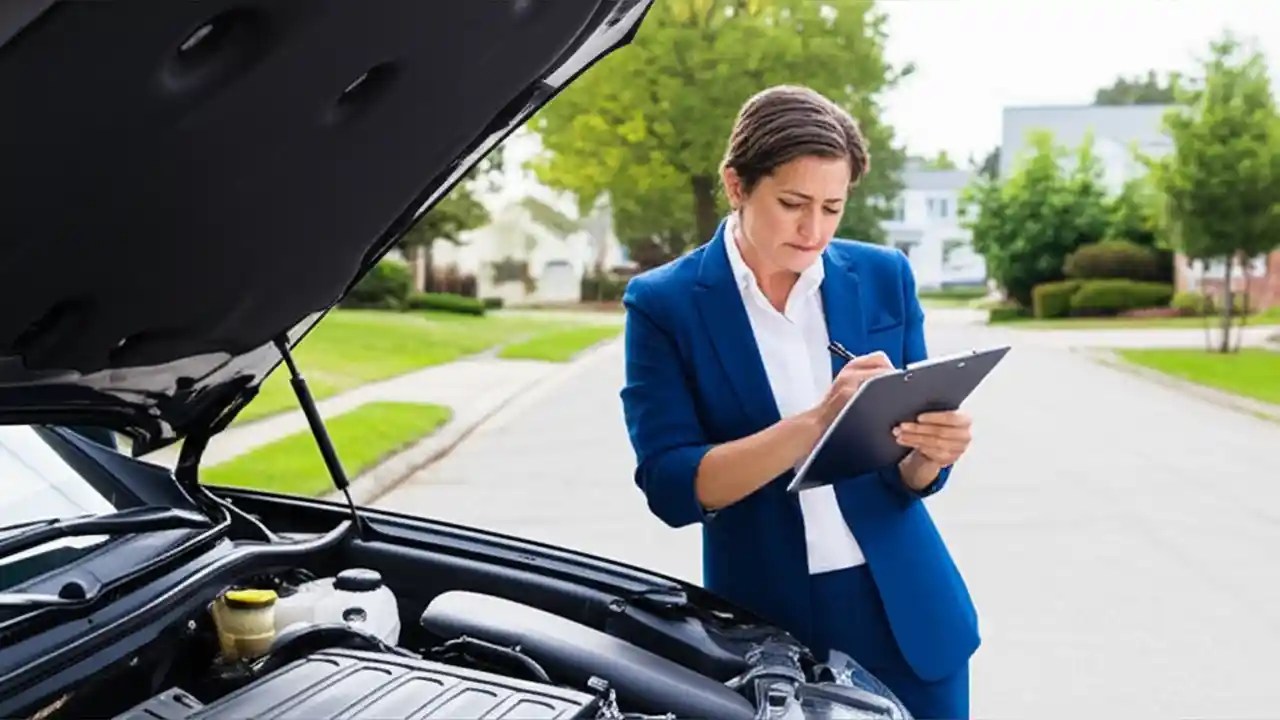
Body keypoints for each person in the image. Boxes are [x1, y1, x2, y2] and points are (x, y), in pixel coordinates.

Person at [618, 85, 979, 719]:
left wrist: (931, 456)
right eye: (792, 204)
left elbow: (913, 476)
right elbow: (672, 487)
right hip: (768, 627)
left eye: (832, 208)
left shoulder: (883, 275)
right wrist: (816, 422)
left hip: (909, 611)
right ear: (736, 185)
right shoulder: (665, 304)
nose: (814, 230)